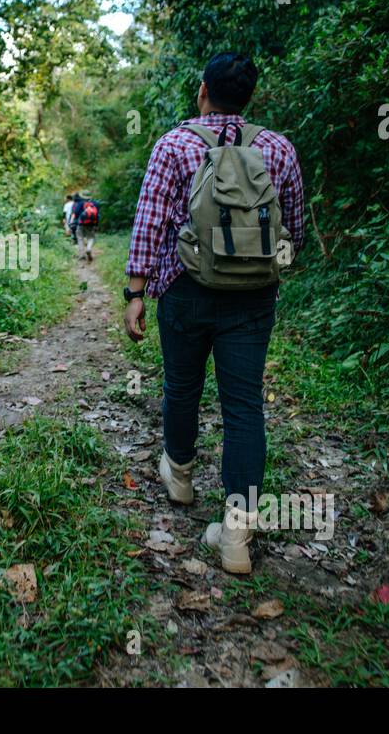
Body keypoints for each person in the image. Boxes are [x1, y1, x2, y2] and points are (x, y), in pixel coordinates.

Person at [122, 52, 304, 574]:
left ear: (203, 90)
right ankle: (235, 538)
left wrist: (136, 292)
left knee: (181, 386)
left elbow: (151, 222)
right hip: (251, 297)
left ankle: (179, 475)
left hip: (184, 288)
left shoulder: (175, 144)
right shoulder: (277, 148)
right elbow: (293, 230)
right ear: (250, 98)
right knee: (244, 406)